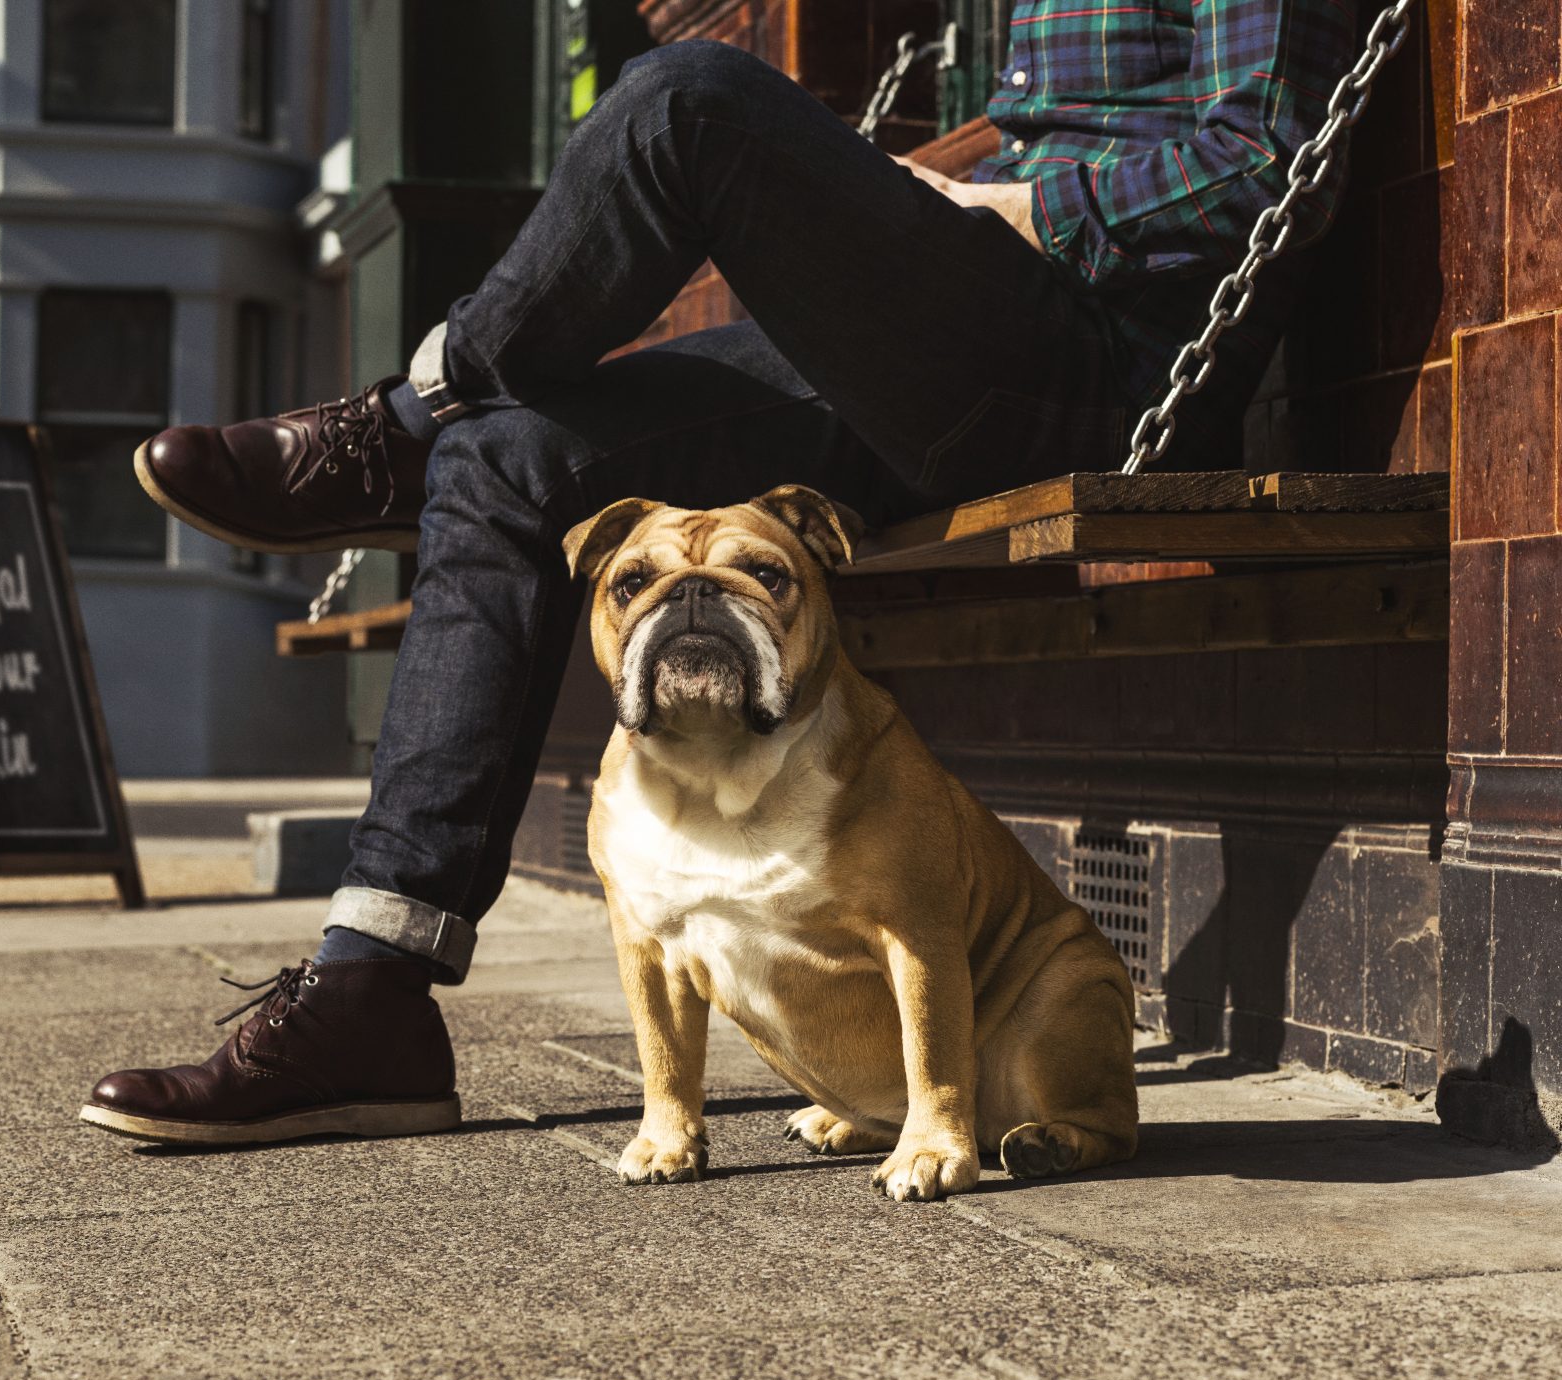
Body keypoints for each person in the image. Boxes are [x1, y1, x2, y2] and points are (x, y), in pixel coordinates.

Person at [80, 3, 1356, 1145]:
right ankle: (373, 984)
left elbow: (1265, 161)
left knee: (687, 97)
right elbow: (1044, 134)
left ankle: (404, 418)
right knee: (506, 456)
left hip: (1101, 366)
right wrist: (923, 190)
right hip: (965, 338)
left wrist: (1014, 211)